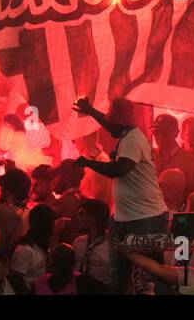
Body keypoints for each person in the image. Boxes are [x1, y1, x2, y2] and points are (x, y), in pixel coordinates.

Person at [71, 97, 169, 293]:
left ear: (120, 121)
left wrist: (89, 163)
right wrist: (91, 111)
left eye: (111, 119)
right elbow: (112, 126)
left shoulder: (133, 139)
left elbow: (120, 169)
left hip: (146, 219)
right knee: (118, 275)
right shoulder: (127, 135)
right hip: (124, 219)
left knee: (149, 276)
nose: (109, 125)